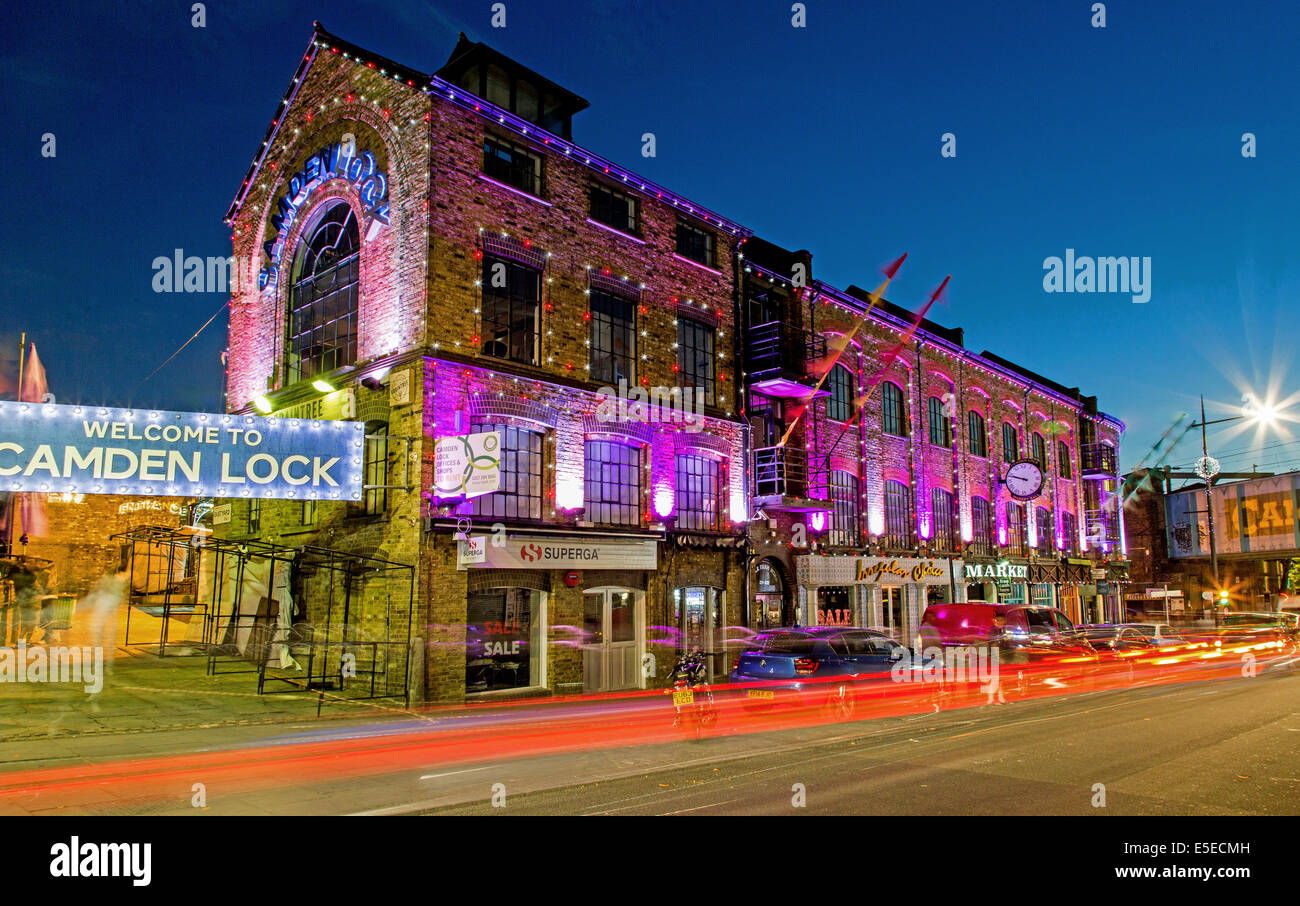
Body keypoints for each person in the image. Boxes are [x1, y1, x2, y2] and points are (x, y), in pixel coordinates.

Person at [83, 571, 129, 673]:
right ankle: (98, 664)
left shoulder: (115, 591)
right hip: (100, 619)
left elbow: (120, 601)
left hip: (108, 619)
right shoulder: (104, 592)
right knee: (98, 641)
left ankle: (108, 666)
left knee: (109, 642)